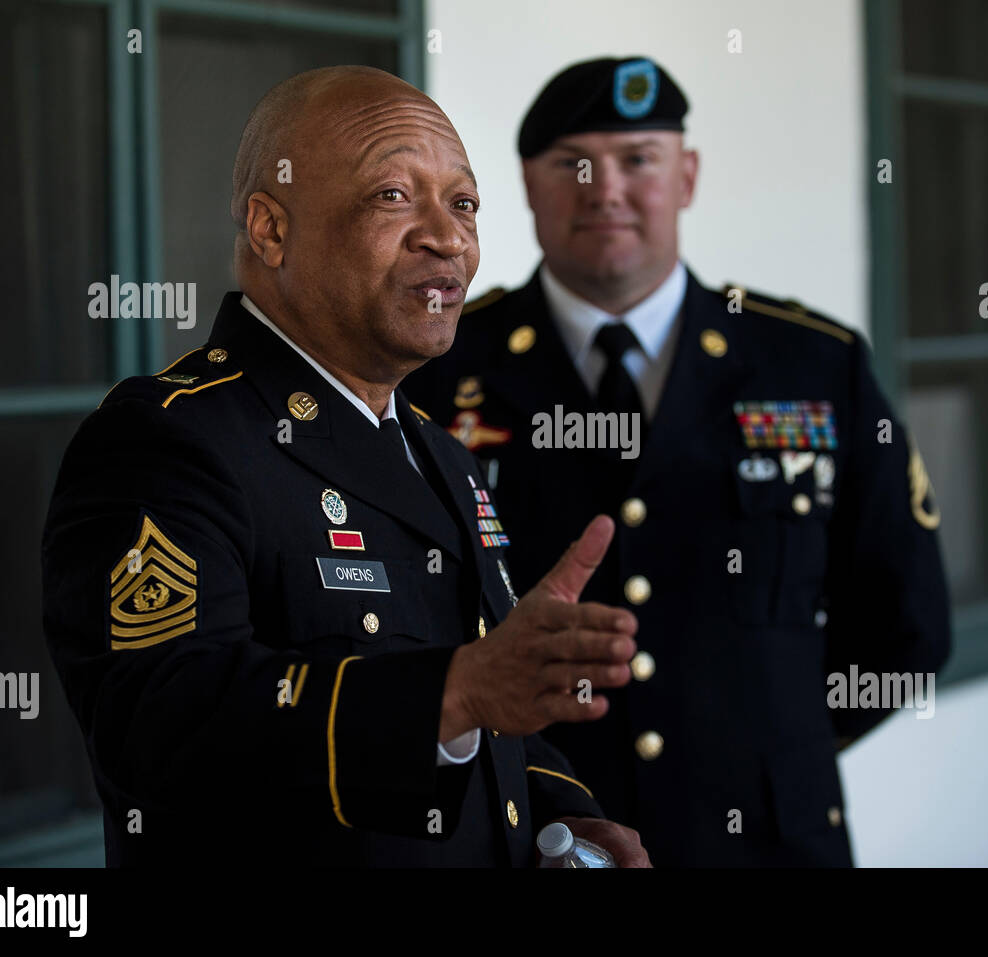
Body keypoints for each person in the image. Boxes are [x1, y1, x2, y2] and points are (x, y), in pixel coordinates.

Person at [41, 65, 651, 867]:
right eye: (394, 195)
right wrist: (454, 691)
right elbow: (158, 726)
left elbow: (485, 714)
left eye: (463, 203)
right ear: (270, 229)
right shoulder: (167, 441)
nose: (448, 236)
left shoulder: (441, 453)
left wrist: (565, 818)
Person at [405, 57, 951, 866]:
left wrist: (777, 742)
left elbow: (908, 623)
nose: (605, 189)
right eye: (573, 164)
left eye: (639, 160)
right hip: (541, 840)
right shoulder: (437, 370)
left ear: (686, 176)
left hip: (770, 839)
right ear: (525, 183)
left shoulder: (812, 363)